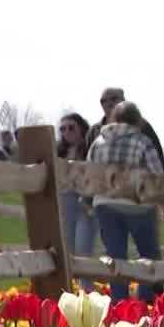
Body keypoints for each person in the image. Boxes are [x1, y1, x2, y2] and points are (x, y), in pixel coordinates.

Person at [88, 101, 164, 302]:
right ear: (138, 120)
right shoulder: (142, 141)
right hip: (138, 206)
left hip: (105, 204)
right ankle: (146, 302)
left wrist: (90, 200)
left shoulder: (98, 142)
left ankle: (119, 303)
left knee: (115, 258)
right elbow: (157, 176)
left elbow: (88, 173)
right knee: (148, 255)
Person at [56, 113, 97, 290]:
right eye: (62, 129)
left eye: (71, 127)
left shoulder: (91, 149)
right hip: (65, 203)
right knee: (69, 252)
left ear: (81, 128)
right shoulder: (58, 152)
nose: (66, 132)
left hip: (85, 204)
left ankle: (86, 293)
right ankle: (72, 293)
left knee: (83, 251)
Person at [86, 86, 164, 155]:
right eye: (103, 101)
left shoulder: (142, 125)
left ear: (123, 100)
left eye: (114, 99)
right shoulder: (94, 131)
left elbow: (157, 156)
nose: (109, 103)